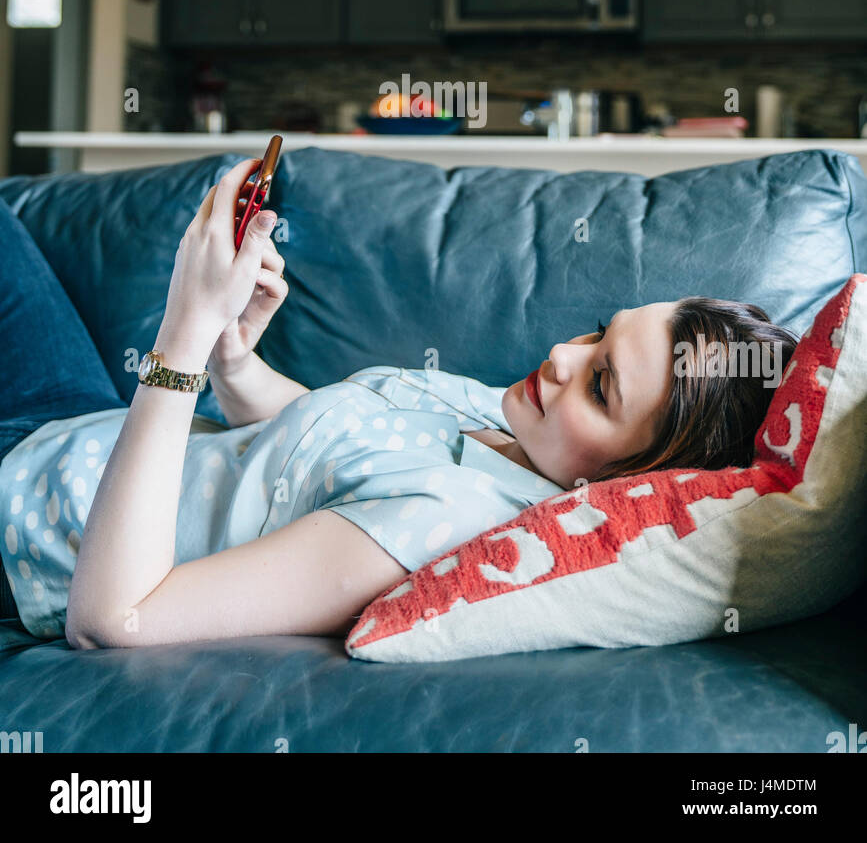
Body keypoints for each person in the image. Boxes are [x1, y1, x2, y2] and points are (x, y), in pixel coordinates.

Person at [0, 160, 798, 650]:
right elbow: (314, 460)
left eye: (599, 385)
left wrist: (183, 331)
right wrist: (234, 355)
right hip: (68, 422)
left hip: (25, 517)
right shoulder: (508, 424)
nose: (561, 356)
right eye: (596, 335)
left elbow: (112, 618)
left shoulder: (440, 524)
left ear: (628, 480)